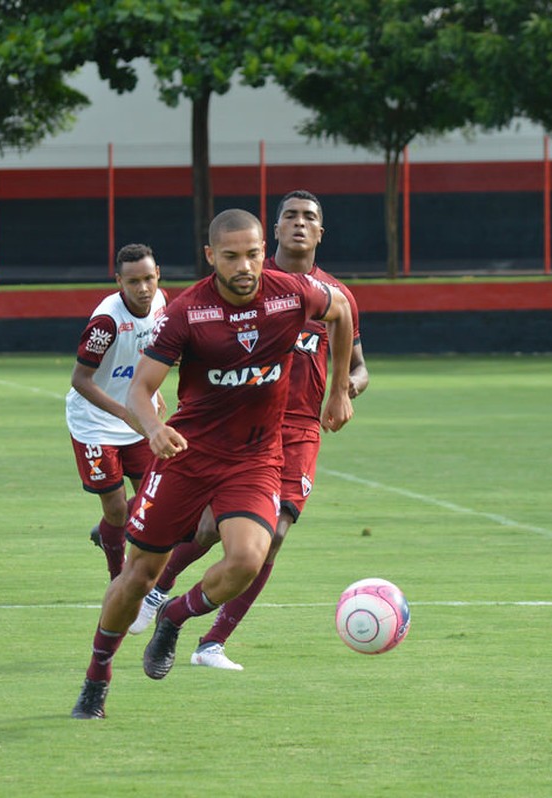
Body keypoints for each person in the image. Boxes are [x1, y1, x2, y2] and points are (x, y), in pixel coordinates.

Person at [70, 208, 354, 719]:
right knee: (138, 576)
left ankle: (175, 619)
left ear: (263, 251)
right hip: (188, 456)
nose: (244, 266)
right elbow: (141, 388)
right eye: (231, 256)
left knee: (248, 558)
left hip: (254, 458)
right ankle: (97, 675)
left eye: (252, 253)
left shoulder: (292, 292)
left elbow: (342, 310)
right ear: (211, 257)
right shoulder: (186, 312)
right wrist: (155, 429)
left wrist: (337, 393)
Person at [127, 190, 369, 672]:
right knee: (208, 526)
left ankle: (210, 640)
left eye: (310, 218)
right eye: (290, 217)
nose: (300, 224)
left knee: (272, 535)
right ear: (272, 231)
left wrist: (342, 390)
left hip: (297, 428)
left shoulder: (332, 295)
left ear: (321, 233)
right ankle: (158, 590)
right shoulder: (248, 287)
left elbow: (358, 366)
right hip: (232, 423)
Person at [65, 243, 168, 579]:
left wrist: (155, 392)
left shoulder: (162, 304)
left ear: (158, 276)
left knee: (151, 501)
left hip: (139, 417)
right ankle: (117, 577)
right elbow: (80, 380)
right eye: (133, 281)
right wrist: (124, 412)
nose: (143, 288)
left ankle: (105, 533)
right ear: (119, 282)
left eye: (148, 279)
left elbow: (146, 353)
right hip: (94, 424)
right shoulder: (106, 323)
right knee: (115, 510)